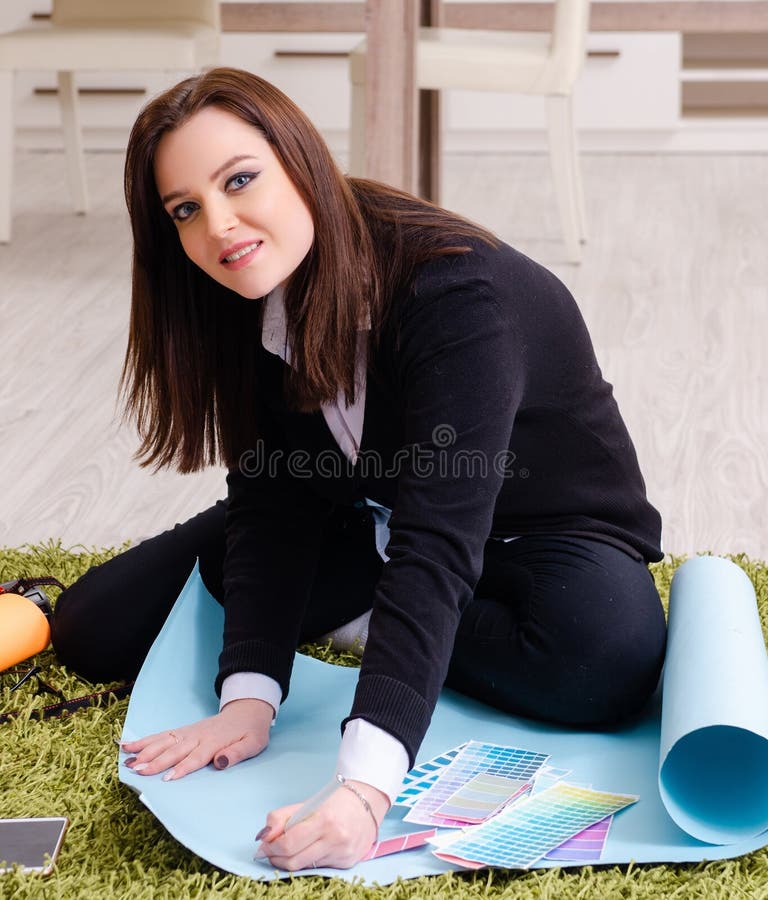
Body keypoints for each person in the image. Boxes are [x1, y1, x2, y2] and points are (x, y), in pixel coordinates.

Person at [51, 67, 666, 871]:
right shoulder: (245, 286)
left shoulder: (459, 293)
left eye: (240, 180)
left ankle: (380, 615)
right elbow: (271, 502)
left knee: (603, 663)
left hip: (542, 529)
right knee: (93, 627)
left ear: (300, 159)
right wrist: (249, 697)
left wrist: (363, 792)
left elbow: (437, 542)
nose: (221, 226)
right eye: (186, 210)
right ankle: (377, 603)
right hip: (363, 510)